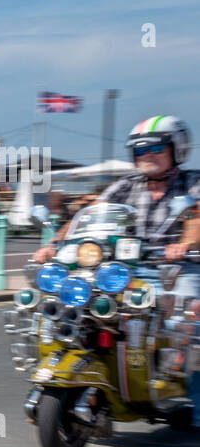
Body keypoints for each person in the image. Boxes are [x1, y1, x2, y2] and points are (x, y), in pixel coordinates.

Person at [34, 115, 200, 426]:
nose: (146, 156)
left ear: (177, 149)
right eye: (139, 151)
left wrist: (184, 244)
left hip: (178, 268)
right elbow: (88, 215)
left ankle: (192, 396)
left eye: (154, 149)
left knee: (189, 319)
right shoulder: (126, 185)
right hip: (124, 269)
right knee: (75, 303)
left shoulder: (192, 183)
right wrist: (54, 244)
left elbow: (196, 217)